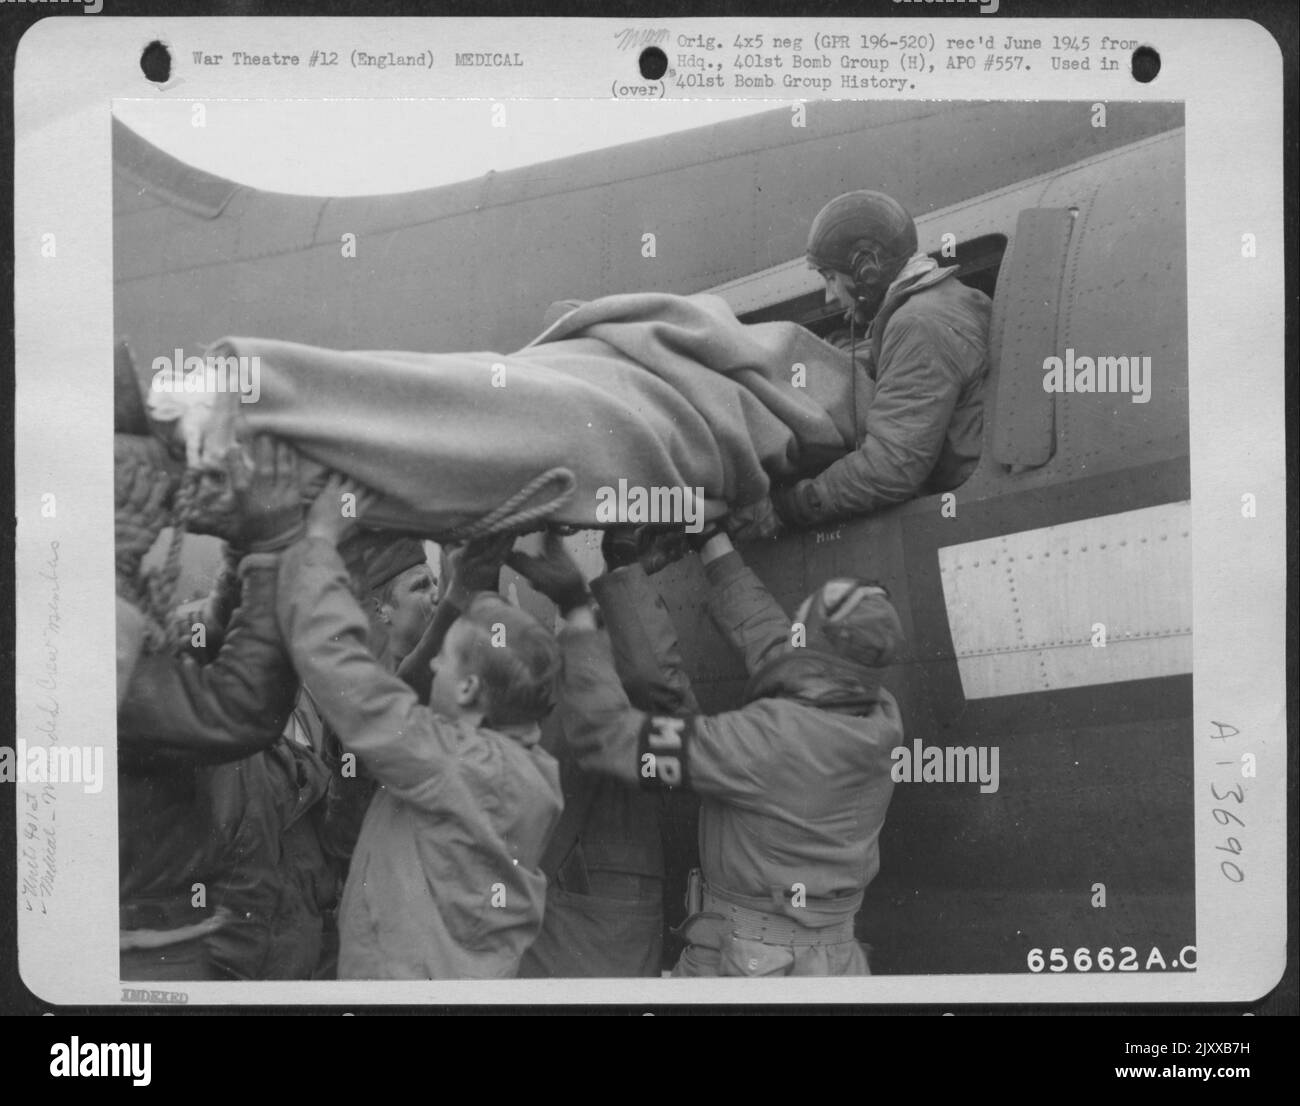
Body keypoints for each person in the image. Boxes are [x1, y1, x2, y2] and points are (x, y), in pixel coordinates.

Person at [510, 527, 906, 977]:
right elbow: (780, 648)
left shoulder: (762, 745)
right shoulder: (877, 715)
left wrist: (577, 612)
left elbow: (611, 737)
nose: (792, 625)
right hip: (833, 964)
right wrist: (712, 541)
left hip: (751, 970)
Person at [275, 476, 564, 979]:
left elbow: (356, 692)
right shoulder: (526, 769)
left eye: (446, 661)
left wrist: (318, 543)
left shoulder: (451, 763)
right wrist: (459, 595)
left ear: (471, 691)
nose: (431, 669)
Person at [116, 434, 306, 980]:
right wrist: (271, 547)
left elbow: (208, 648)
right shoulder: (100, 648)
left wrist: (243, 555)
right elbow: (242, 710)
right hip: (143, 955)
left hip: (158, 936)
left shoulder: (93, 623)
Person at [736, 190, 992, 538]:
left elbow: (891, 467)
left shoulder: (919, 324)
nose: (829, 296)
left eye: (830, 277)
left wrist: (786, 506)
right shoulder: (938, 303)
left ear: (867, 268)